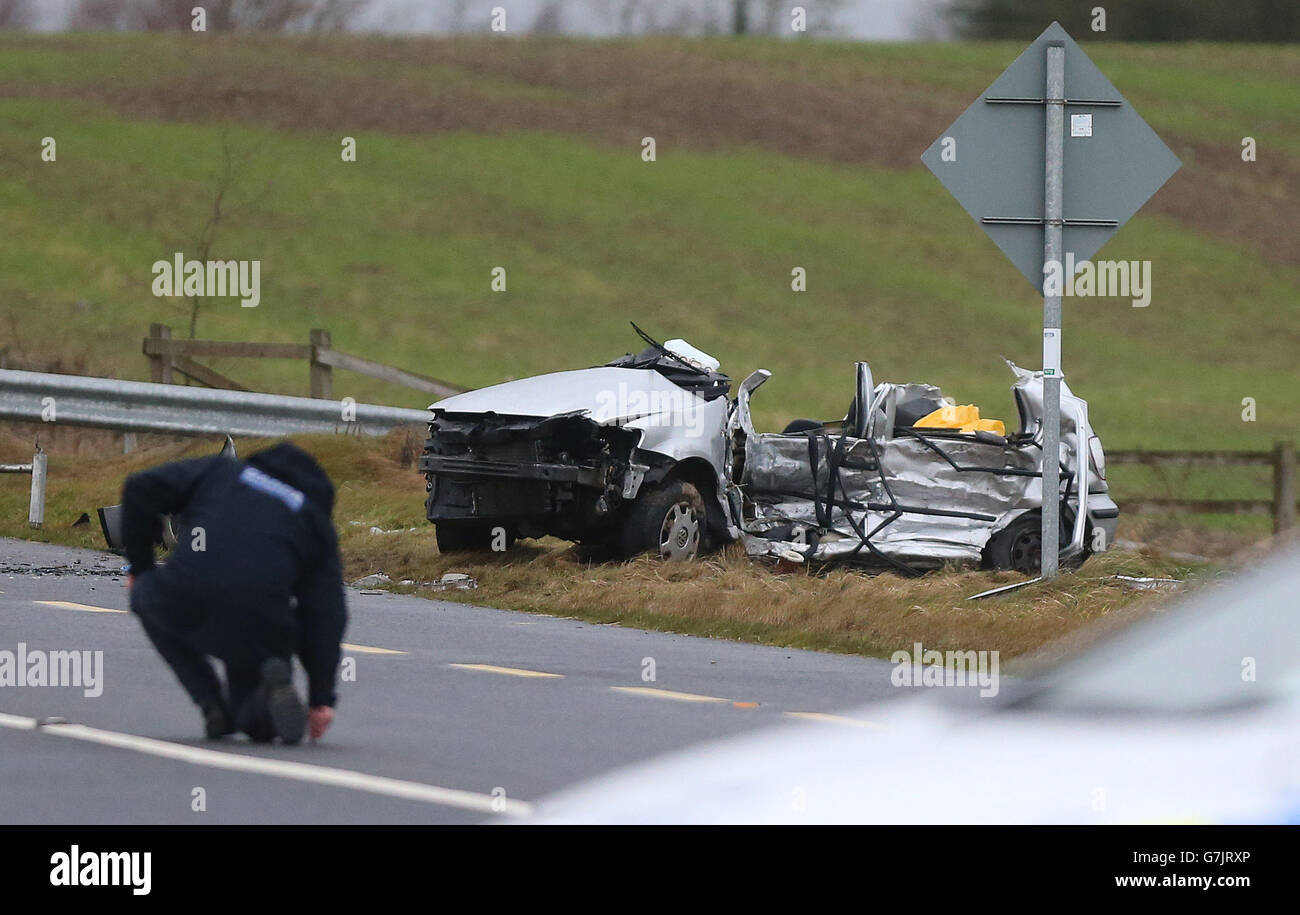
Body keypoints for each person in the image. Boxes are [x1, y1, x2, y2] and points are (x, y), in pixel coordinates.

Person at [121, 442, 347, 744]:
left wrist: (140, 566)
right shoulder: (314, 521)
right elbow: (325, 613)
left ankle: (211, 703)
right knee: (258, 723)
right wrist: (321, 697)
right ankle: (264, 693)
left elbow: (139, 487)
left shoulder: (222, 472)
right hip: (260, 623)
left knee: (146, 595)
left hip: (186, 594)